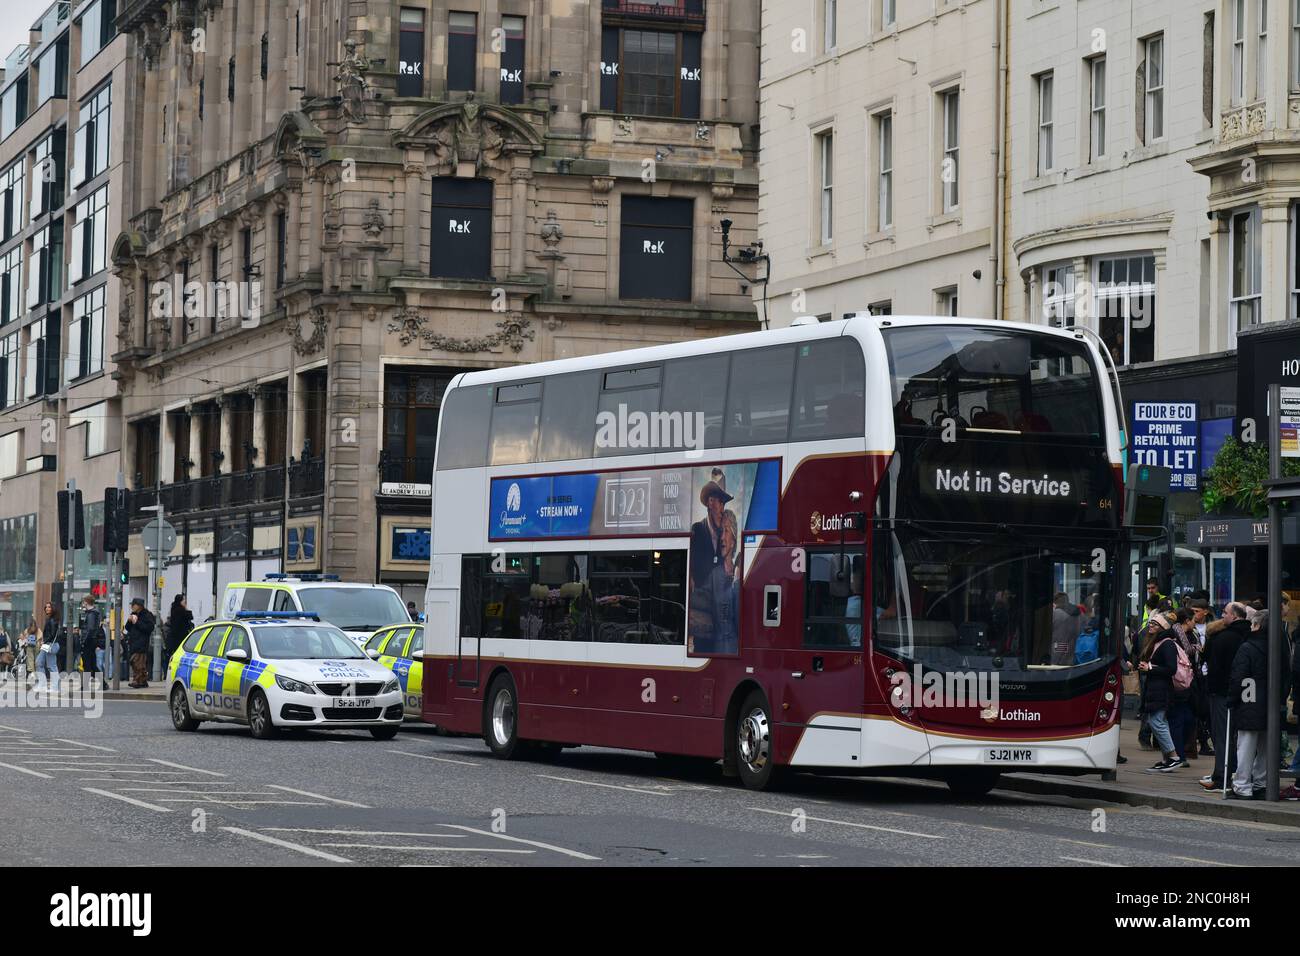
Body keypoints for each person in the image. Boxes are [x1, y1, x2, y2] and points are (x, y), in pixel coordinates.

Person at [1201, 601, 1249, 790]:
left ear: (1234, 616)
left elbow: (1214, 668)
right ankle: (1237, 774)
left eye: (1225, 612)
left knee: (1222, 735)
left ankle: (1221, 776)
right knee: (1243, 737)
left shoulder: (1224, 637)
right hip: (1245, 692)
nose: (1222, 615)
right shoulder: (1249, 635)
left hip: (1221, 692)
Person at [1227, 607, 1271, 799]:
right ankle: (1261, 783)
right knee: (1265, 747)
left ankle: (1242, 784)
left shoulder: (1247, 647)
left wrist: (1232, 698)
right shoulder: (1276, 646)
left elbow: (1239, 677)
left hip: (1249, 700)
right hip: (1268, 702)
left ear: (1256, 626)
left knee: (1245, 745)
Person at [1139, 613, 1183, 773]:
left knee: (1157, 722)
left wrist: (1150, 668)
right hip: (1155, 688)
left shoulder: (1167, 644)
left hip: (1162, 689)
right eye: (1150, 623)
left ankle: (1173, 757)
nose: (1151, 626)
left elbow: (1171, 669)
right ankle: (1167, 759)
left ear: (1163, 627)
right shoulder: (1157, 642)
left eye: (1155, 624)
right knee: (1158, 722)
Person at [124, 598, 156, 689]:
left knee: (138, 662)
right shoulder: (133, 614)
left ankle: (138, 681)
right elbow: (128, 628)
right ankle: (142, 681)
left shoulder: (147, 615)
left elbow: (149, 628)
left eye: (133, 605)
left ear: (139, 606)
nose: (131, 607)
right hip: (133, 642)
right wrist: (130, 621)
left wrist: (136, 622)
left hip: (142, 642)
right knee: (134, 662)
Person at [77, 595, 104, 689]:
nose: (83, 604)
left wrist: (84, 641)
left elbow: (90, 629)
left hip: (88, 642)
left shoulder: (91, 614)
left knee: (87, 664)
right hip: (91, 641)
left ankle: (85, 686)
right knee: (92, 664)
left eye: (83, 602)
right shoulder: (92, 613)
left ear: (86, 602)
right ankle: (103, 684)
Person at [35, 602, 61, 694]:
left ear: (53, 608)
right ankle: (42, 685)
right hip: (47, 644)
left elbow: (53, 634)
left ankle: (56, 687)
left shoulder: (53, 620)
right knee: (39, 662)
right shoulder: (49, 619)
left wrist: (44, 641)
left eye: (49, 607)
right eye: (46, 607)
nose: (47, 608)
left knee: (51, 666)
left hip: (50, 645)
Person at [1050, 592, 1082, 665]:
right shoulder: (1079, 615)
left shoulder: (1055, 614)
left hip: (1056, 658)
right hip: (1072, 657)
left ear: (1054, 603)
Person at [166, 594, 193, 665]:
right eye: (183, 600)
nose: (185, 602)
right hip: (181, 637)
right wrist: (186, 608)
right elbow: (190, 616)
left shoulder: (174, 609)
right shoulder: (180, 610)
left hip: (175, 638)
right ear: (180, 601)